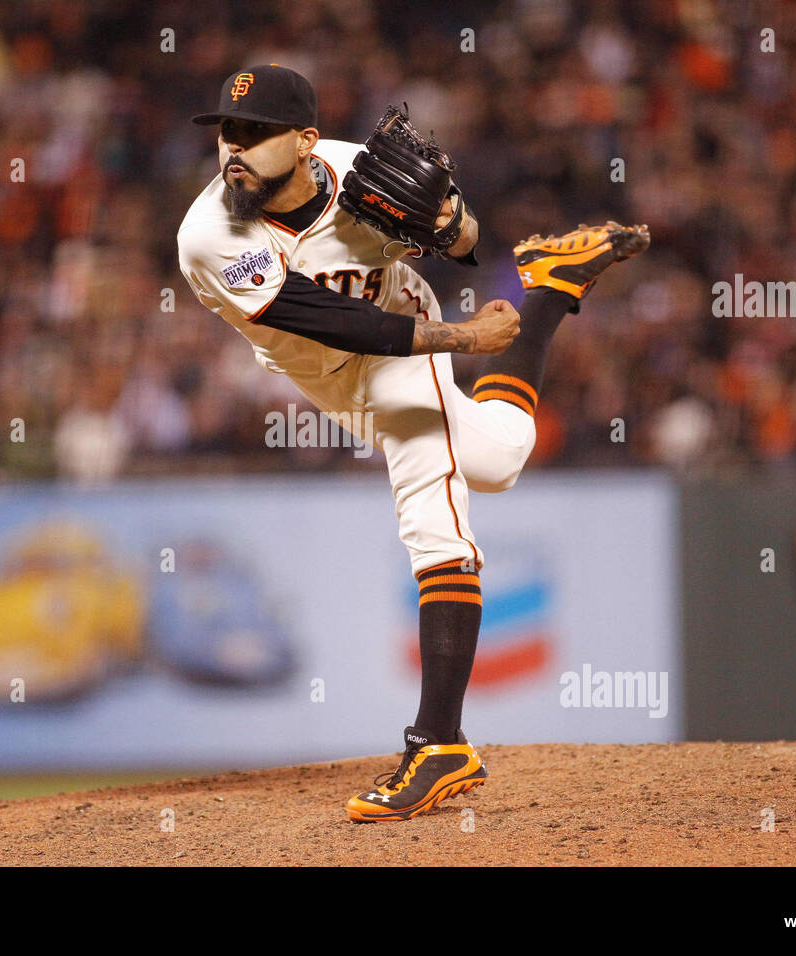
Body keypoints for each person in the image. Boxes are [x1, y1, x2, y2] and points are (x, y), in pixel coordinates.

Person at [177, 65, 648, 822]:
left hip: (405, 343)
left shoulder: (352, 164)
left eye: (256, 133)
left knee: (434, 513)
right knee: (497, 459)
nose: (235, 147)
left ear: (302, 141)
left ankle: (438, 744)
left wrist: (456, 226)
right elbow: (324, 320)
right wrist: (466, 336)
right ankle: (553, 288)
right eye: (228, 131)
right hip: (327, 369)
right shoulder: (209, 235)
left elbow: (460, 243)